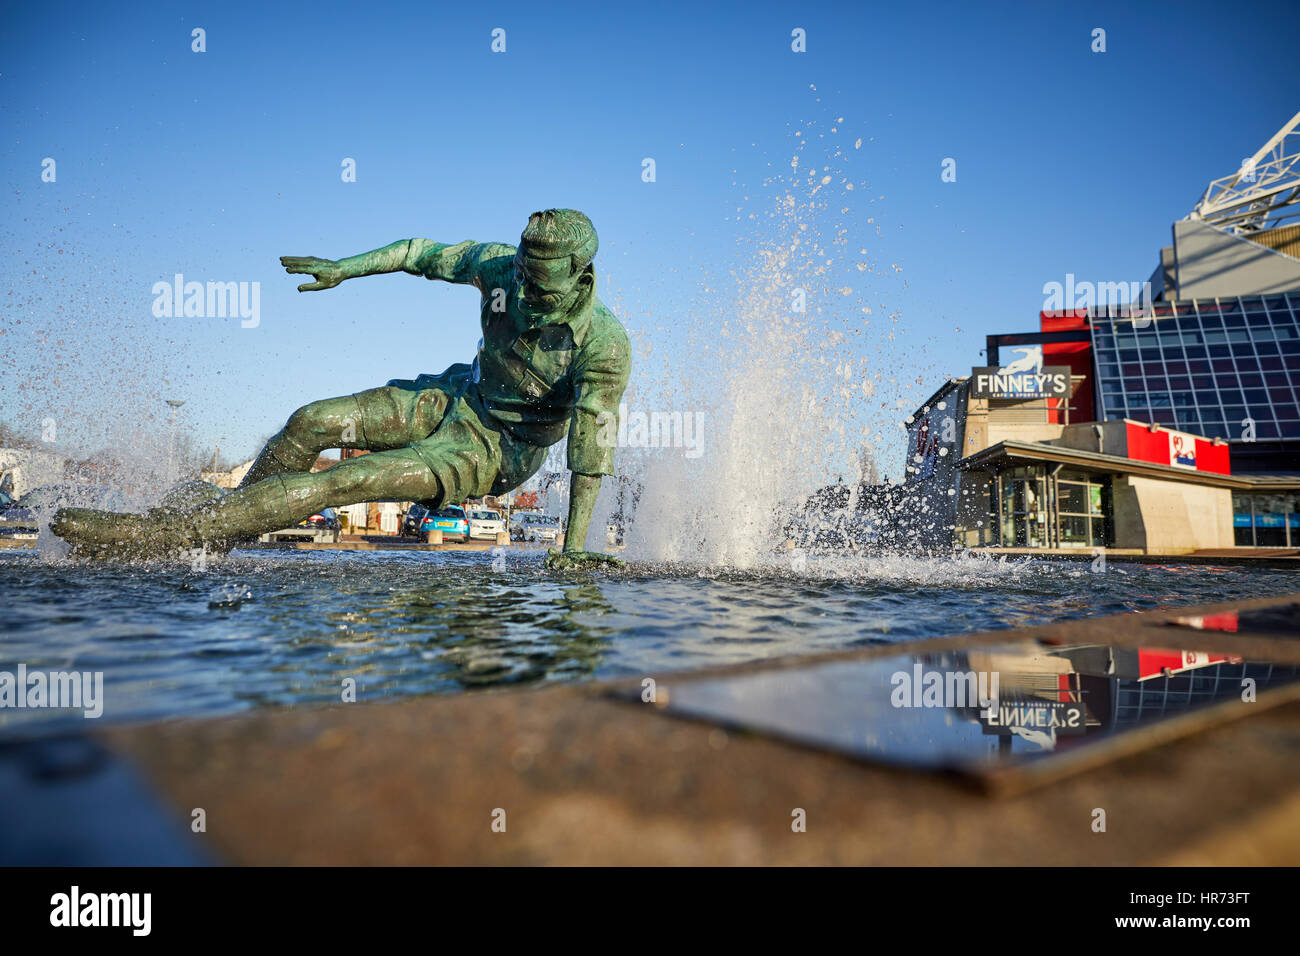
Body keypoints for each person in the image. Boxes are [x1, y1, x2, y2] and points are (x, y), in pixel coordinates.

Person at [53, 209, 629, 567]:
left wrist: (573, 550)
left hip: (498, 448)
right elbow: (417, 252)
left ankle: (160, 535)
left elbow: (589, 452)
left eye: (542, 288)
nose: (526, 294)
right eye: (524, 277)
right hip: (458, 395)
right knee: (310, 421)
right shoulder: (502, 267)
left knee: (343, 480)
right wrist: (343, 268)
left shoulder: (603, 345)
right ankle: (218, 532)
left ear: (581, 273)